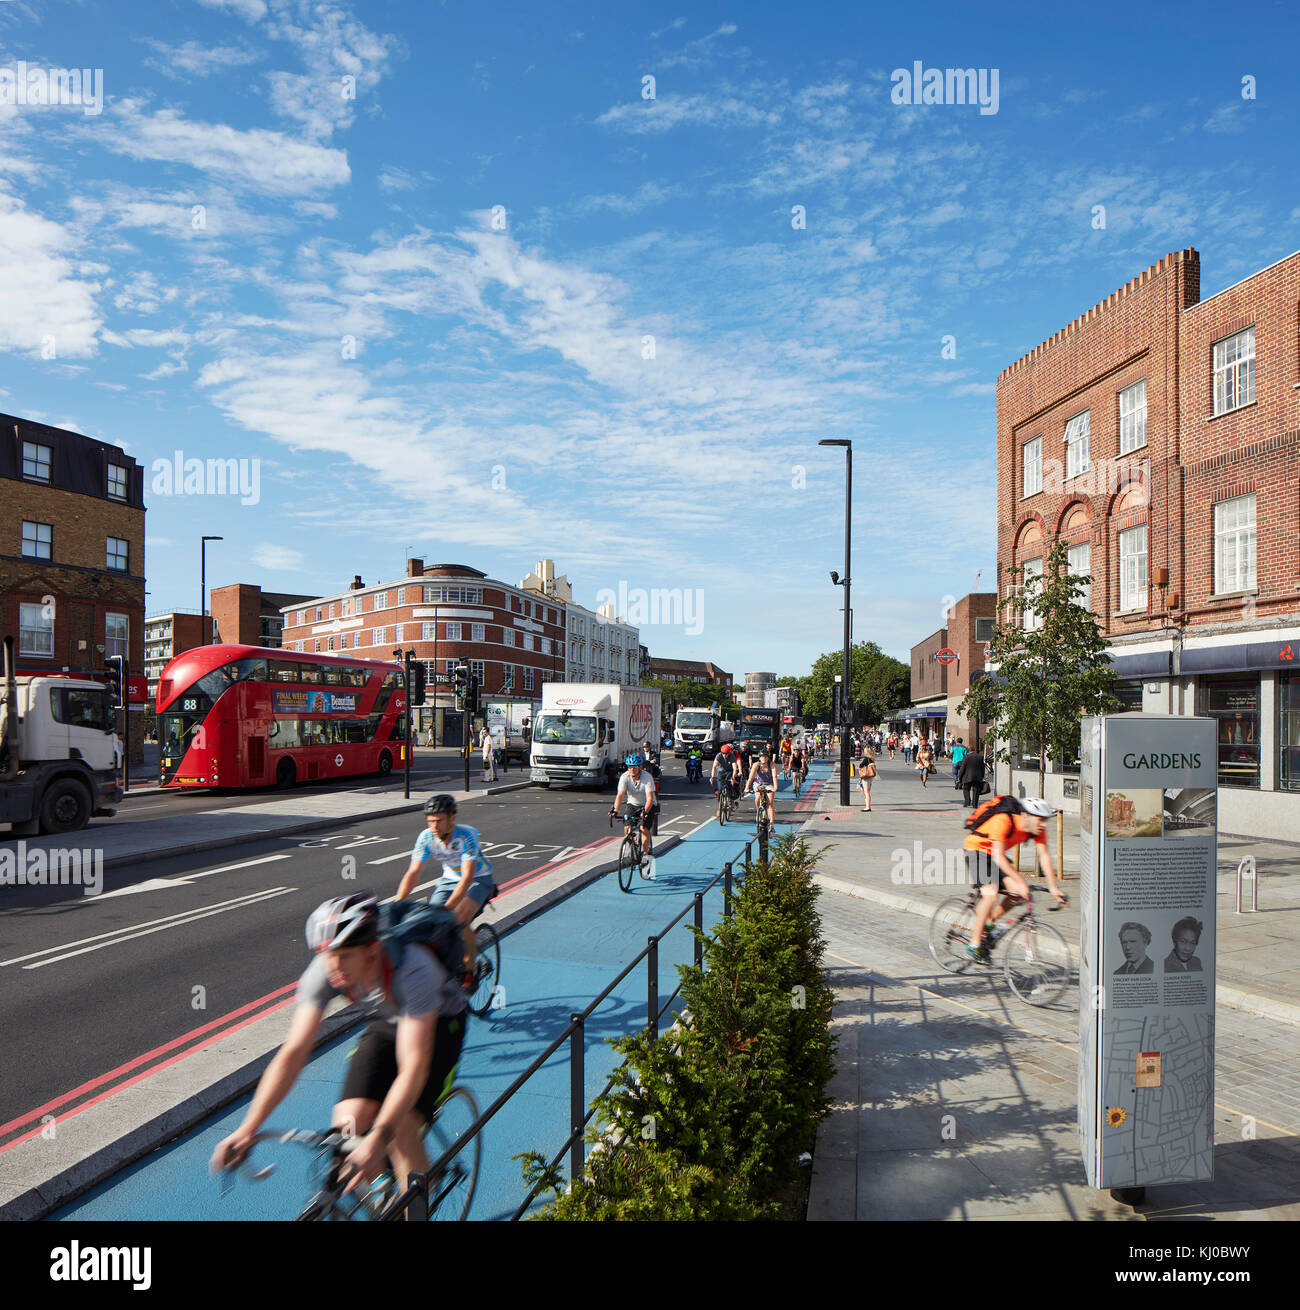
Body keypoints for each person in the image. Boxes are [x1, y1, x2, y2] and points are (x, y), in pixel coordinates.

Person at [210, 892, 468, 1195]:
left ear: (372, 950)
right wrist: (248, 1128)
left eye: (344, 955)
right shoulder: (327, 968)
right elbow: (293, 1052)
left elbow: (414, 1067)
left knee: (399, 1132)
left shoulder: (414, 968)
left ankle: (419, 1193)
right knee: (347, 1126)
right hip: (386, 1022)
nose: (334, 965)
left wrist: (378, 1137)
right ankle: (380, 1185)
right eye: (326, 953)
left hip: (438, 1027)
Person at [396, 794, 495, 978]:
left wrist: (448, 909)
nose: (434, 826)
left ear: (452, 818)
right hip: (448, 881)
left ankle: (469, 969)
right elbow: (413, 873)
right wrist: (398, 903)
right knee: (431, 922)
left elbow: (466, 878)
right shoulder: (426, 837)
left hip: (478, 879)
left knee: (458, 919)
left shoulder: (467, 836)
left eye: (439, 821)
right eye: (430, 821)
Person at [964, 797, 1067, 963]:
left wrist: (1053, 887)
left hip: (996, 856)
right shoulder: (1004, 820)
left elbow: (1044, 855)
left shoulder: (1037, 828)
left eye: (1045, 821)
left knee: (1016, 893)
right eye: (1040, 820)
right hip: (977, 849)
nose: (1043, 825)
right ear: (1026, 815)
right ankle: (974, 943)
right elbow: (997, 856)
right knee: (990, 895)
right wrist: (1020, 880)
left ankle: (989, 922)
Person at [610, 753, 659, 860]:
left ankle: (645, 854)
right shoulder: (625, 777)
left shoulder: (647, 777)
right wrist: (616, 810)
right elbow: (620, 795)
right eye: (629, 767)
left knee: (643, 828)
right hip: (633, 804)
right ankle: (633, 845)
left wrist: (645, 812)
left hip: (648, 805)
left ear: (640, 767)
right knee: (627, 828)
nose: (631, 770)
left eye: (634, 767)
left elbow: (650, 798)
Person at [744, 749, 778, 830]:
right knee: (758, 797)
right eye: (762, 757)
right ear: (759, 757)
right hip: (759, 783)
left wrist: (775, 787)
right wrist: (747, 787)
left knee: (770, 803)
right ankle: (759, 810)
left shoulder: (772, 764)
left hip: (769, 784)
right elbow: (751, 777)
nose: (764, 758)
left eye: (766, 757)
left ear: (768, 758)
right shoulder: (756, 765)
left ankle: (772, 824)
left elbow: (774, 776)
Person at [857, 745, 876, 811]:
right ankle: (867, 806)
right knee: (867, 791)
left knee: (866, 792)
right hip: (870, 777)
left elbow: (860, 765)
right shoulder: (872, 758)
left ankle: (868, 807)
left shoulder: (866, 758)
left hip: (866, 777)